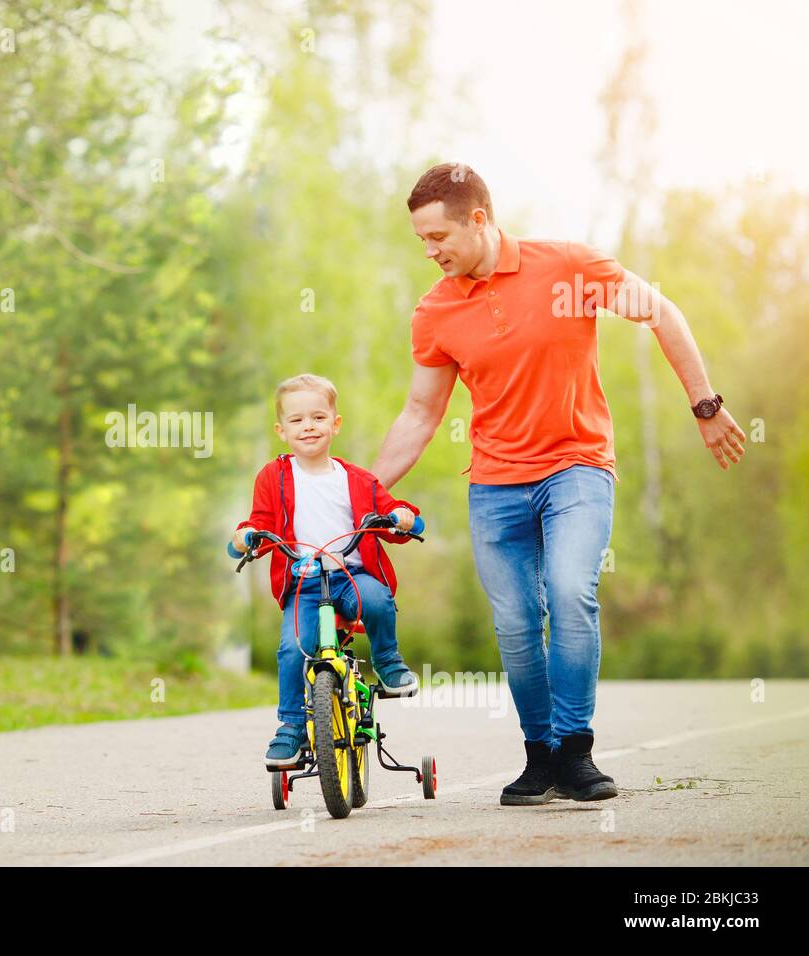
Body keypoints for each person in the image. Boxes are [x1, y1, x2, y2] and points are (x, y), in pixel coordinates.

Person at [372, 163, 745, 803]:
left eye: (438, 238)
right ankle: (538, 755)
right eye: (421, 242)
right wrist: (365, 491)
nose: (430, 252)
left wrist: (705, 407)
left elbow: (661, 312)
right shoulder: (435, 312)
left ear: (479, 219)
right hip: (495, 484)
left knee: (571, 592)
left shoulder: (566, 266)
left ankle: (576, 753)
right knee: (517, 624)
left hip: (577, 467)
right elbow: (420, 413)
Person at [231, 373, 422, 768]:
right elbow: (259, 523)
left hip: (351, 575)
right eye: (297, 420)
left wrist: (403, 517)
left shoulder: (357, 479)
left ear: (335, 424)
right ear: (281, 430)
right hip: (303, 583)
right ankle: (290, 727)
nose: (308, 427)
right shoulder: (274, 476)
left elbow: (391, 514)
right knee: (290, 649)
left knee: (377, 600)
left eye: (318, 418)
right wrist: (245, 538)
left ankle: (387, 662)